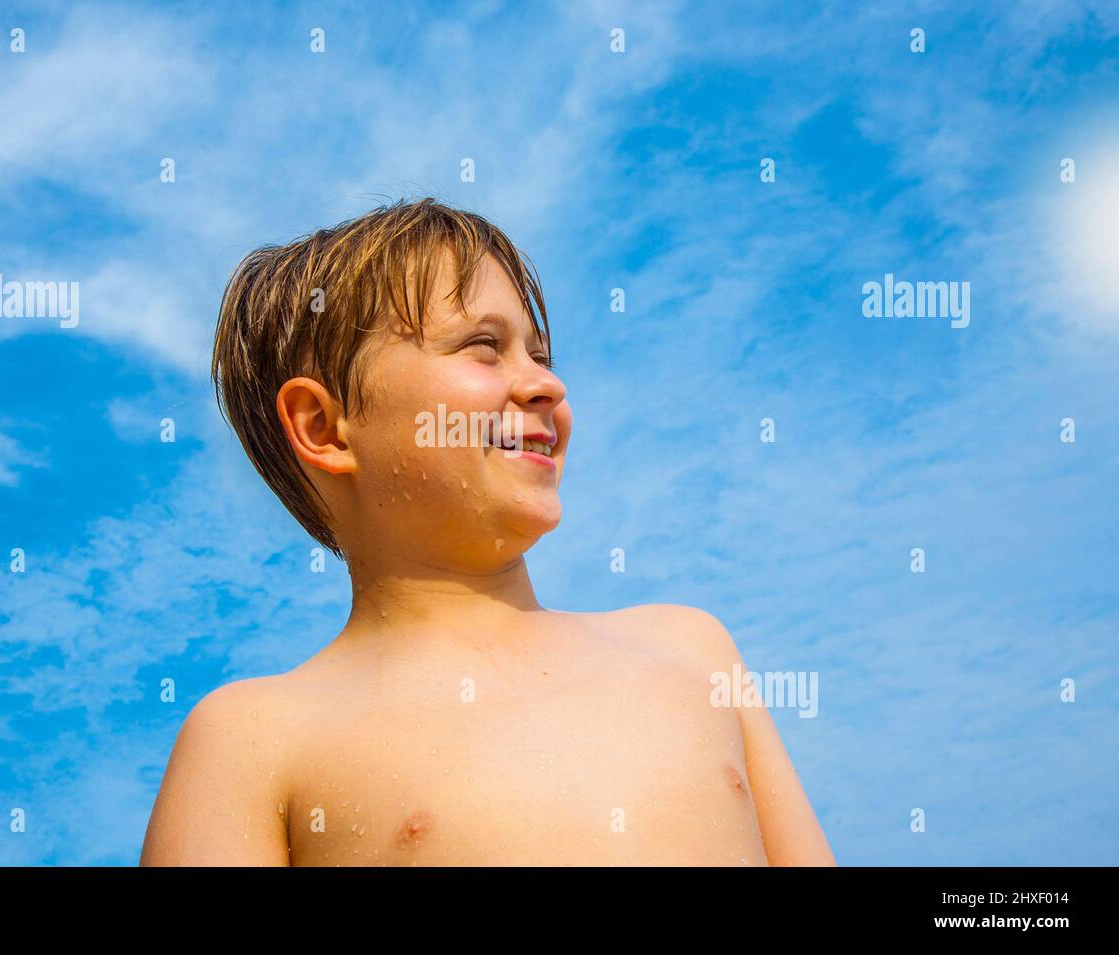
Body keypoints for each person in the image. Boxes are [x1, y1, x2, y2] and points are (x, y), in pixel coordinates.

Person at [139, 197, 836, 866]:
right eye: (483, 347)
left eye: (541, 356)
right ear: (324, 428)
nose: (543, 385)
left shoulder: (693, 650)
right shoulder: (251, 739)